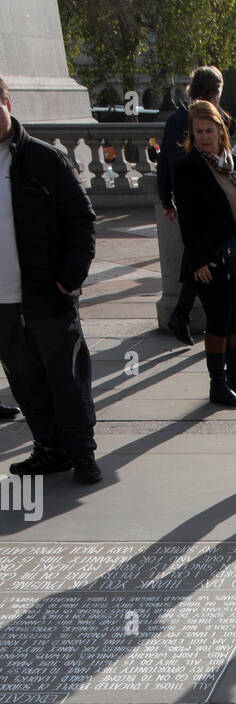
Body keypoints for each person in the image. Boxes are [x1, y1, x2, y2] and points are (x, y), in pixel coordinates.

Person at [0, 74, 100, 484]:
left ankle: (82, 454)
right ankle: (49, 449)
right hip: (2, 302)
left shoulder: (44, 159)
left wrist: (69, 279)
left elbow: (81, 221)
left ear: (6, 101)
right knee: (24, 380)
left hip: (48, 294)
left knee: (67, 377)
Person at [171, 99, 236, 407]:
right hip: (212, 260)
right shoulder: (187, 168)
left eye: (209, 130)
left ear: (220, 131)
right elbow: (188, 221)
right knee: (219, 321)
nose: (204, 136)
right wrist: (199, 259)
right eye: (198, 131)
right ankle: (218, 384)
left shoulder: (235, 163)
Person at [158, 66, 230, 346]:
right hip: (205, 195)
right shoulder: (211, 118)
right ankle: (188, 316)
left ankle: (181, 313)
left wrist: (166, 198)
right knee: (203, 256)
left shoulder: (176, 118)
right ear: (214, 92)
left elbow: (164, 163)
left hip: (184, 193)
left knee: (196, 254)